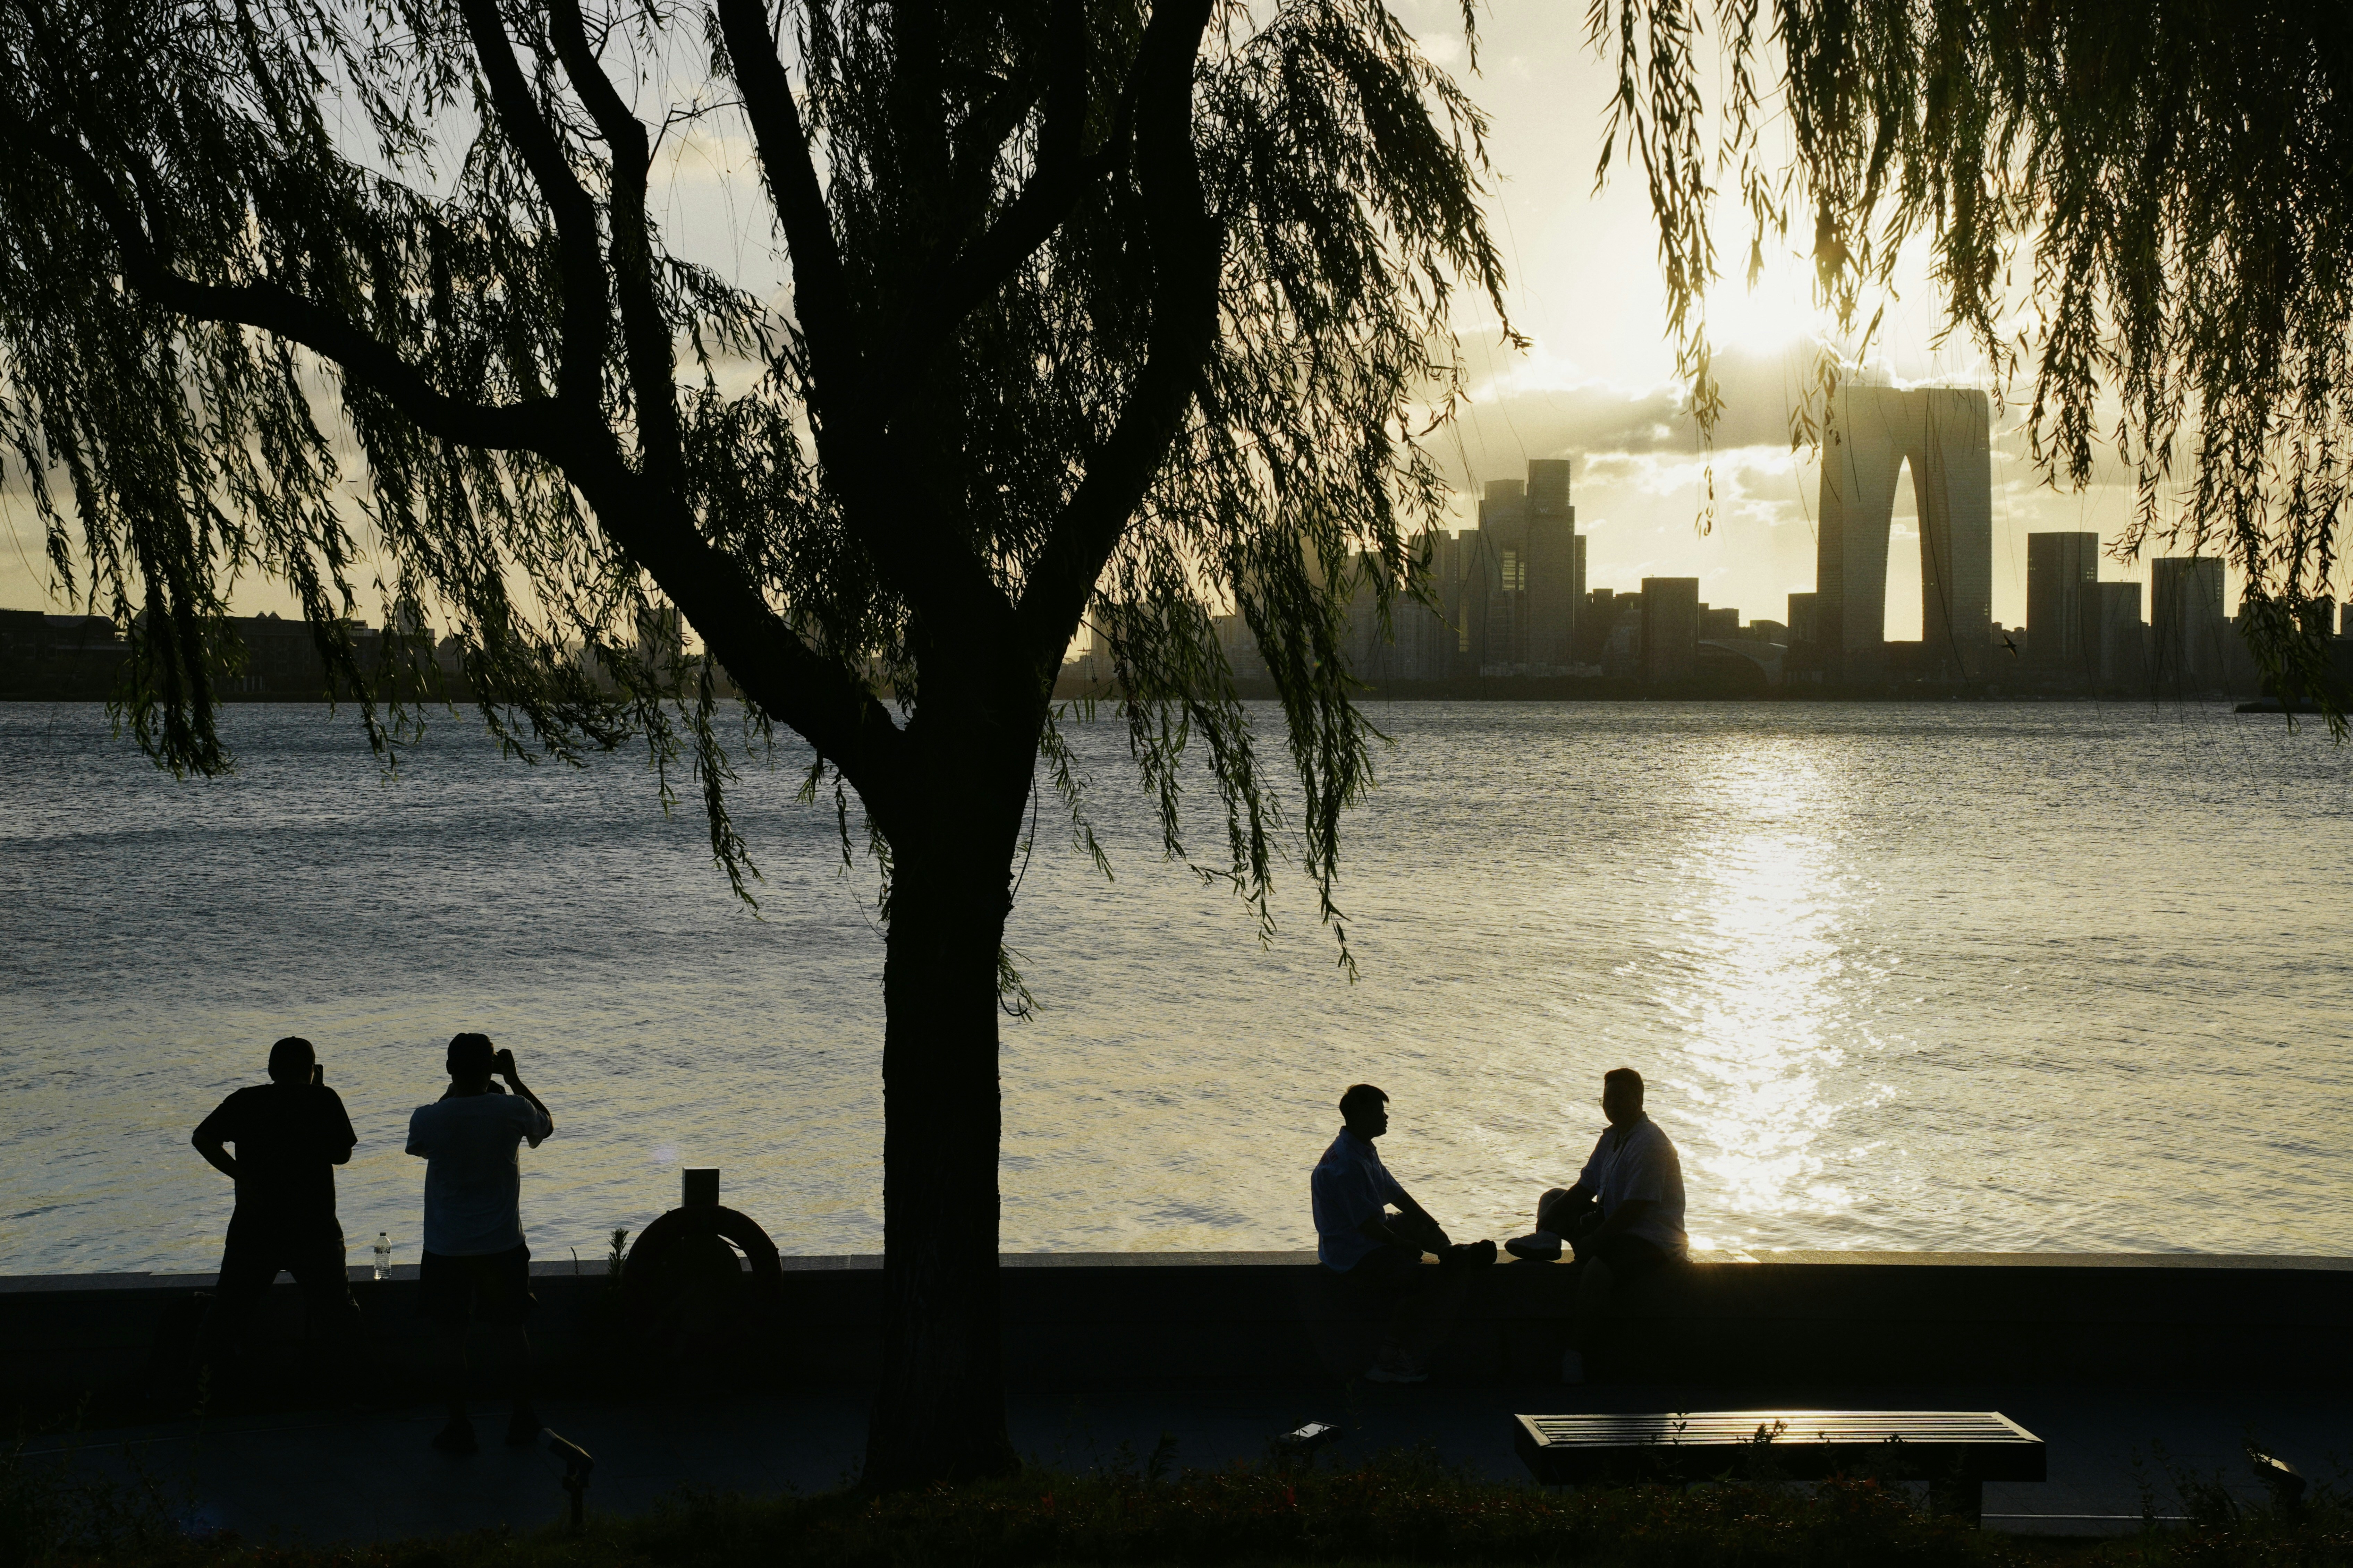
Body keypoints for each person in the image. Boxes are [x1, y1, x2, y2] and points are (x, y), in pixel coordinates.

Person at [405, 1032, 554, 1455]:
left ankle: (458, 1426)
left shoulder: (430, 1117)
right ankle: (522, 1417)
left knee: (450, 1340)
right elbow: (546, 1123)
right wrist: (514, 1077)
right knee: (511, 1333)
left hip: (445, 1246)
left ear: (450, 1069)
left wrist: (456, 1088)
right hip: (503, 1244)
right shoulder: (512, 1108)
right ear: (491, 1068)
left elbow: (419, 1146)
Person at [191, 1036, 363, 1374]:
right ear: (312, 1070)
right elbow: (340, 1154)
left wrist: (241, 1175)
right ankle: (364, 1388)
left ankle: (195, 1392)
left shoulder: (246, 1099)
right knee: (339, 1312)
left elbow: (202, 1137)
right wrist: (318, 1101)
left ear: (271, 1069)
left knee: (227, 1311)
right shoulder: (323, 1098)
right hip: (314, 1226)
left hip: (255, 1225)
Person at [1505, 1066, 1687, 1383]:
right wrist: (1552, 1218)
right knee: (1554, 1198)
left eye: (1620, 1098)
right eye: (1607, 1099)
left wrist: (1594, 1239)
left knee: (1597, 1270)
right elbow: (1585, 1187)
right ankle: (1548, 1241)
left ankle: (1575, 1354)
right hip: (1613, 1222)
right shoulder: (1612, 1137)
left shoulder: (1651, 1143)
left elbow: (1635, 1208)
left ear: (1639, 1100)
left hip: (1650, 1238)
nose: (1612, 1105)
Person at [1310, 1083, 1496, 1383]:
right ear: (1360, 1116)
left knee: (1414, 1222)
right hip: (1350, 1250)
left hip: (1368, 1232)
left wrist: (1431, 1226)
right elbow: (1366, 1225)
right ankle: (1387, 1359)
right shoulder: (1346, 1164)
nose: (1386, 1119)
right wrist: (1403, 1245)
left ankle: (1450, 1252)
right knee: (1415, 1279)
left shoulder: (1363, 1149)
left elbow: (1395, 1193)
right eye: (1380, 1113)